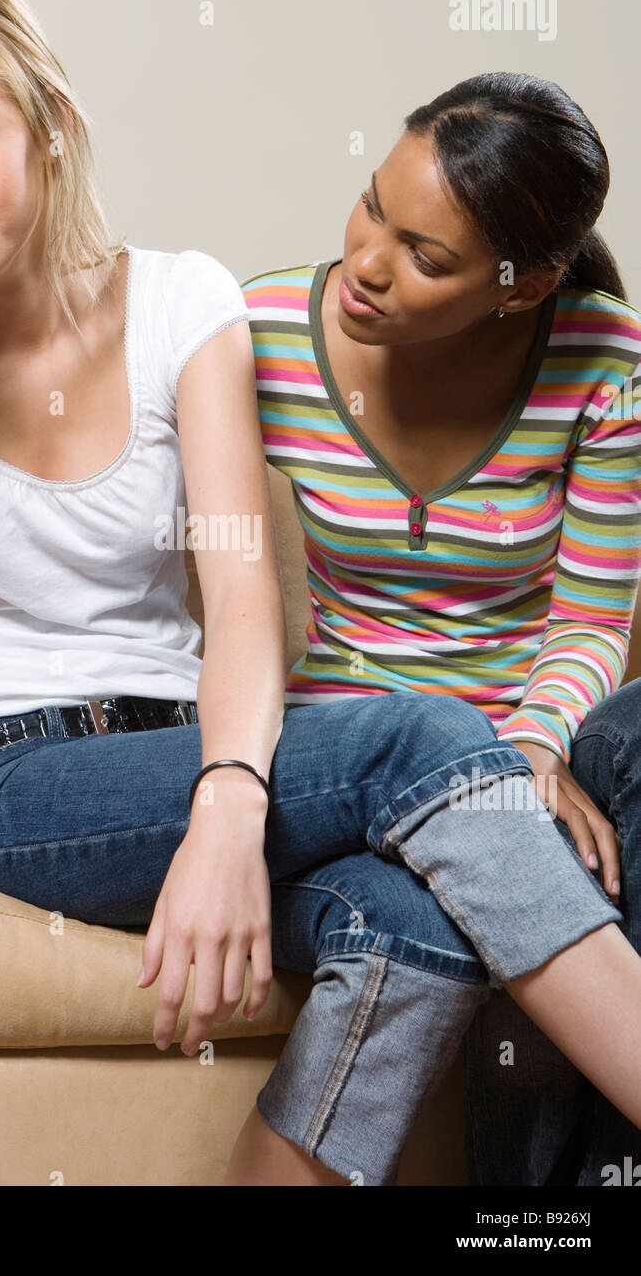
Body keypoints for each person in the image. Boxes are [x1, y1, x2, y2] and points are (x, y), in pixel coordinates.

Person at [0, 0, 639, 1186]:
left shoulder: (183, 300)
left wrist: (225, 804)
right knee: (431, 742)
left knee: (406, 929)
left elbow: (238, 592)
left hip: (181, 749)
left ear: (52, 129)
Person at [239, 69, 641, 1185]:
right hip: (350, 749)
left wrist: (530, 746)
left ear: (522, 288)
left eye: (426, 256)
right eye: (373, 206)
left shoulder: (599, 357)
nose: (366, 262)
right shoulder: (261, 328)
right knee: (481, 890)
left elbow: (591, 617)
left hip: (529, 743)